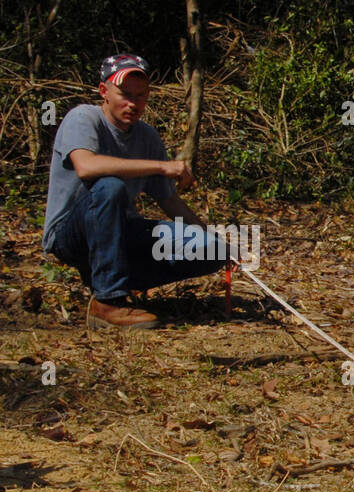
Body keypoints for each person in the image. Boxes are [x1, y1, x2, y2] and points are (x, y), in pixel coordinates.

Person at [42, 53, 230, 330]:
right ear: (104, 91)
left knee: (211, 250)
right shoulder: (83, 117)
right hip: (72, 234)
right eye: (125, 94)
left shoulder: (147, 136)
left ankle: (114, 280)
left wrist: (218, 243)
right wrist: (161, 166)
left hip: (123, 232)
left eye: (141, 96)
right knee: (109, 186)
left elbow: (169, 201)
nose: (133, 103)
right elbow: (86, 166)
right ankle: (108, 301)